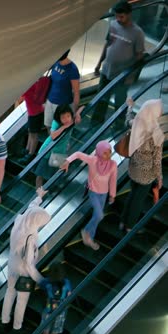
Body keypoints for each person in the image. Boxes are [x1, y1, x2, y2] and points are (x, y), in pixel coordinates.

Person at [2, 189, 50, 331]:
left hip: (12, 262)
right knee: (22, 299)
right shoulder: (30, 237)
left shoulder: (23, 219)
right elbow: (29, 265)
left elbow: (32, 206)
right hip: (23, 269)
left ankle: (4, 321)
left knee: (10, 291)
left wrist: (39, 196)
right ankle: (17, 326)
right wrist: (41, 280)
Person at [93, 1, 145, 125]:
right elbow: (107, 44)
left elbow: (139, 56)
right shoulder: (113, 25)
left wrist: (131, 77)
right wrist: (99, 64)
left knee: (119, 102)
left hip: (122, 76)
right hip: (106, 71)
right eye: (116, 16)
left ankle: (118, 126)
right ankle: (95, 124)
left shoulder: (137, 33)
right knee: (101, 99)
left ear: (129, 14)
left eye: (121, 16)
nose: (118, 19)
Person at [62, 141, 118, 250]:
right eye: (105, 153)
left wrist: (112, 194)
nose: (108, 155)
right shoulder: (93, 160)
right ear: (100, 152)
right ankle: (86, 231)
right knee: (99, 215)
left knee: (96, 217)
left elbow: (113, 180)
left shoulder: (113, 164)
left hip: (104, 194)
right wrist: (67, 161)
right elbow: (78, 154)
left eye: (109, 152)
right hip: (94, 192)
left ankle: (90, 238)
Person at [121, 98, 164, 231]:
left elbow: (127, 120)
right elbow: (157, 160)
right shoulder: (157, 134)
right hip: (146, 174)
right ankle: (130, 226)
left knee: (132, 194)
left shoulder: (136, 123)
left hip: (133, 168)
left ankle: (122, 221)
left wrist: (130, 107)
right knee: (138, 200)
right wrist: (159, 177)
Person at [35, 104, 76, 189]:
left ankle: (52, 191)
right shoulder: (56, 122)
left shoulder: (72, 121)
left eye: (68, 116)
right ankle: (38, 194)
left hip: (60, 153)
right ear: (59, 118)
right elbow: (53, 136)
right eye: (63, 117)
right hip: (47, 151)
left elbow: (81, 108)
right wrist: (64, 127)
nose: (67, 119)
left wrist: (78, 114)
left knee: (56, 173)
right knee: (40, 174)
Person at [44, 50, 82, 129]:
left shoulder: (73, 69)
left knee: (58, 129)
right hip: (50, 101)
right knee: (48, 126)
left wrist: (74, 112)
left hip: (62, 105)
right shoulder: (56, 63)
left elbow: (76, 92)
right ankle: (51, 141)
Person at [39, 263, 72, 334]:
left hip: (48, 307)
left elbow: (41, 287)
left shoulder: (46, 282)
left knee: (46, 326)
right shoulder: (66, 282)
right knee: (56, 329)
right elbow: (69, 295)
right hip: (61, 309)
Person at [19, 75, 50, 158]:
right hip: (34, 112)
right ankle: (27, 149)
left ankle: (30, 154)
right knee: (30, 132)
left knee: (34, 134)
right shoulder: (33, 84)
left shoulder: (29, 87)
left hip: (35, 114)